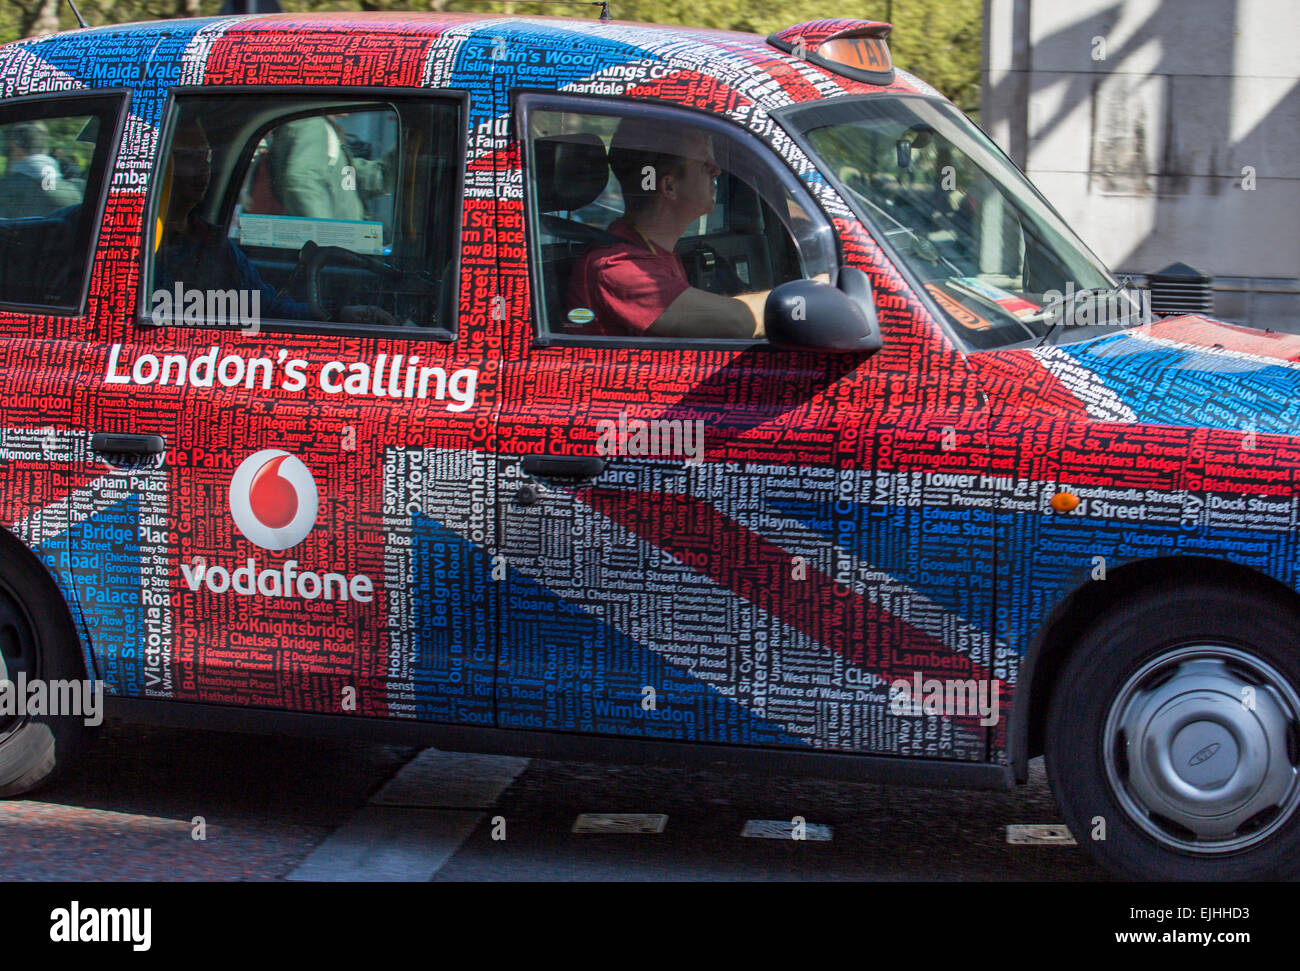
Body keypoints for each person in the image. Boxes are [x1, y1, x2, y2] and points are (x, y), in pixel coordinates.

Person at [154, 115, 396, 326]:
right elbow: (300, 181)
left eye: (205, 157)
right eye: (187, 157)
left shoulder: (212, 243)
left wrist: (337, 315)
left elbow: (265, 307)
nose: (203, 168)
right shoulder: (146, 248)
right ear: (160, 165)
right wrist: (325, 234)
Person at [566, 119, 776, 339]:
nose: (716, 170)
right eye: (704, 165)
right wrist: (805, 299)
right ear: (669, 187)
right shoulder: (620, 268)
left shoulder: (651, 251)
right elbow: (740, 321)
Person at [0, 122, 83, 218]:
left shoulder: (6, 187)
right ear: (43, 149)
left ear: (17, 148)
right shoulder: (73, 190)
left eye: (9, 149)